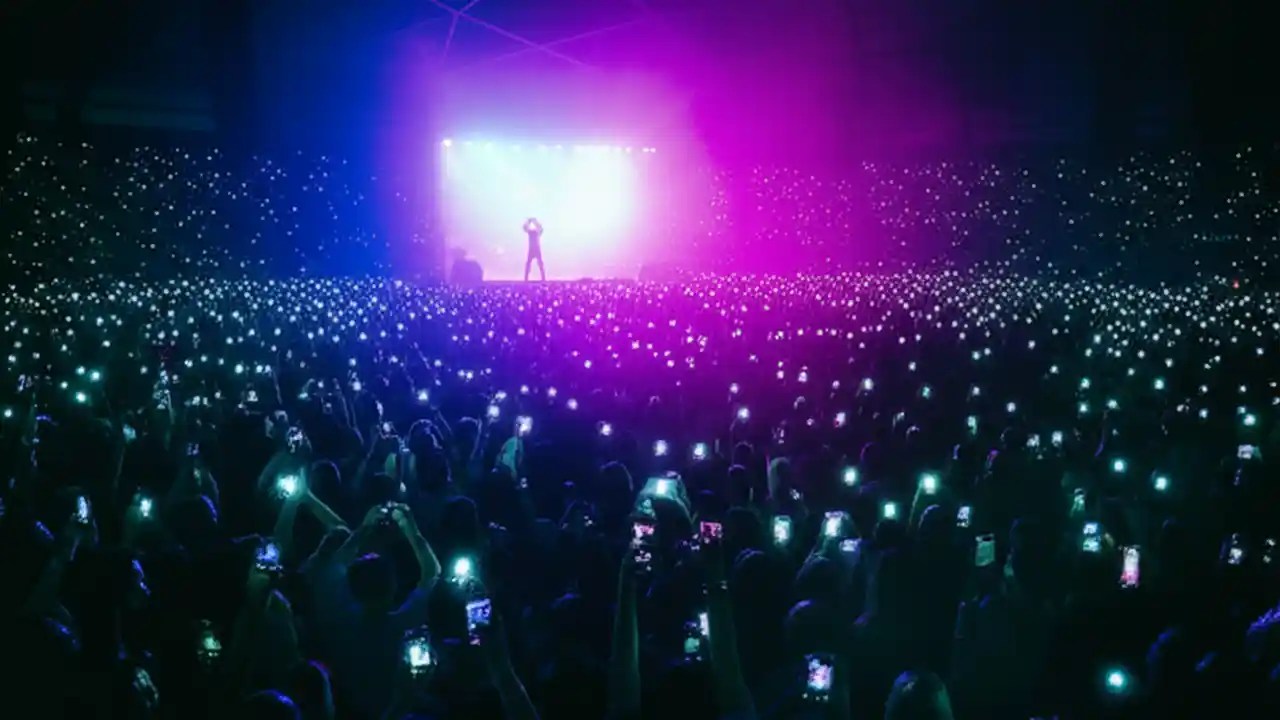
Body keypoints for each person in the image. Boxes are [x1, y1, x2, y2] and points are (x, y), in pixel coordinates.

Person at [523, 218, 546, 282]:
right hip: (533, 248)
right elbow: (525, 228)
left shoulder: (536, 232)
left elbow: (541, 229)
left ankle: (543, 278)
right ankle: (526, 278)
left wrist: (534, 222)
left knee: (539, 263)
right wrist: (529, 222)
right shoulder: (532, 232)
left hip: (535, 248)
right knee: (529, 263)